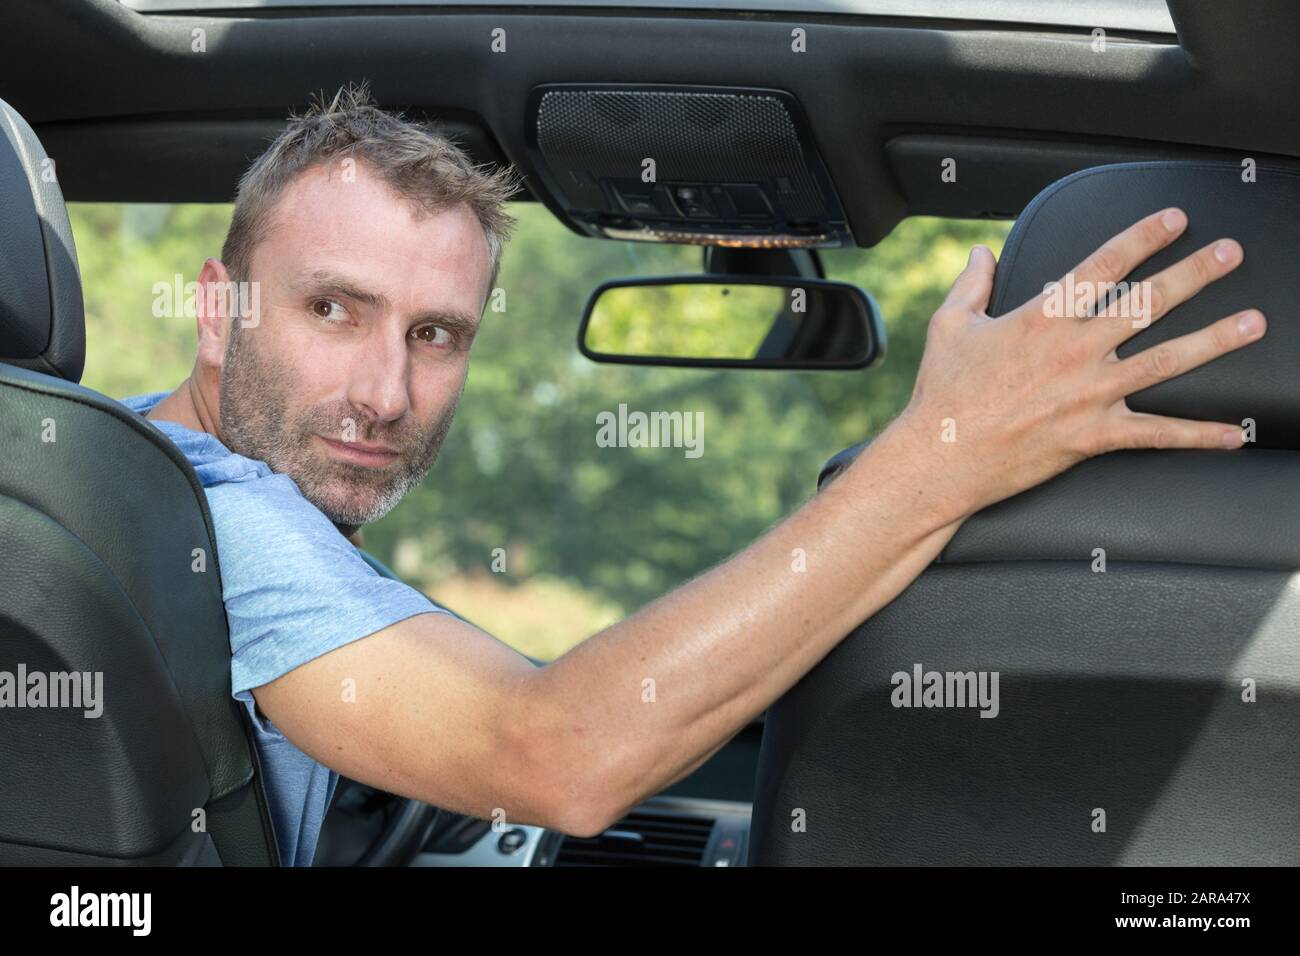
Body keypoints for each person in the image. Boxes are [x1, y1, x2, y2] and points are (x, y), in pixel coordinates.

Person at [123, 85, 1267, 866]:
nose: (384, 389)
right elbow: (554, 753)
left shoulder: (97, 472)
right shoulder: (224, 521)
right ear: (219, 309)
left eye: (436, 335)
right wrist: (948, 447)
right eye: (334, 309)